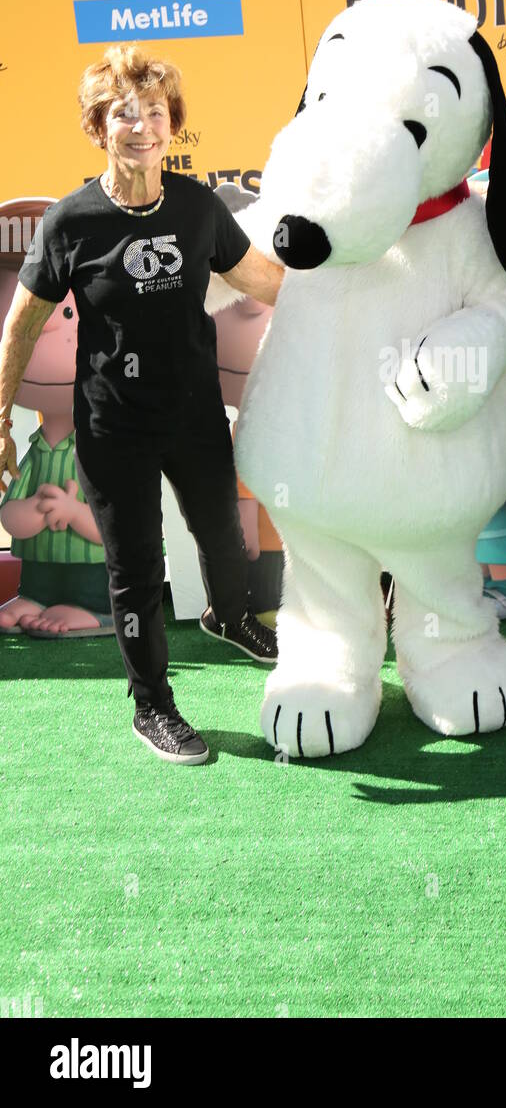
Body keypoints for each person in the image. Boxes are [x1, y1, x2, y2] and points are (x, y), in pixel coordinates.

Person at [0, 45, 285, 765]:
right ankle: (152, 706)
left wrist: (359, 279)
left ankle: (229, 614)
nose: (143, 127)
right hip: (112, 426)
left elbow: (265, 281)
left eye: (155, 112)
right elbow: (23, 325)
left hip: (194, 415)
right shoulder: (72, 222)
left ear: (171, 124)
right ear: (99, 128)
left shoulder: (195, 205)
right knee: (137, 569)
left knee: (225, 535)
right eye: (125, 114)